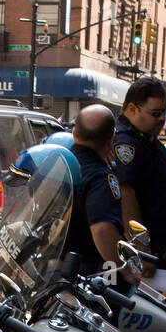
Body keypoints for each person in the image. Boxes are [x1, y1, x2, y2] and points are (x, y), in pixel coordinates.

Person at [112, 76, 166, 260]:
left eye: (164, 112)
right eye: (155, 113)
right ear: (132, 109)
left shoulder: (145, 138)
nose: (162, 119)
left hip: (162, 250)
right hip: (147, 255)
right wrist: (142, 251)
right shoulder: (126, 143)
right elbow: (126, 198)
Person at [66, 104, 131, 278]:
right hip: (83, 275)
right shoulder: (100, 178)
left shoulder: (60, 165)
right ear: (111, 139)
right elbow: (102, 231)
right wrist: (124, 270)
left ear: (73, 133)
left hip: (46, 270)